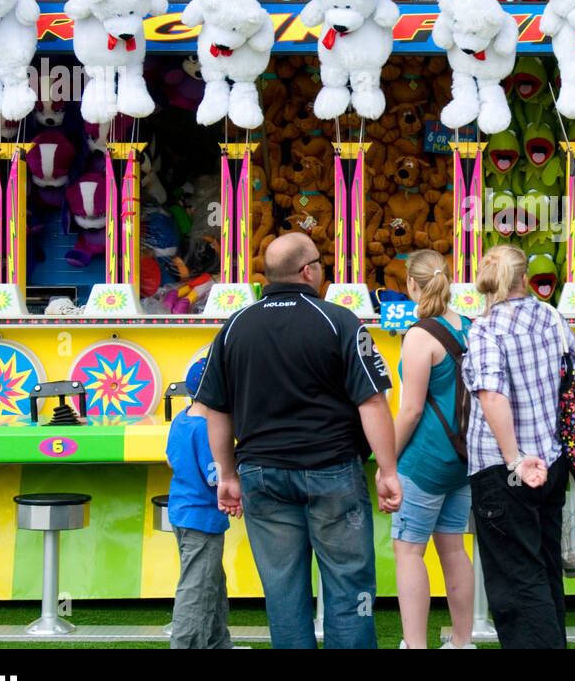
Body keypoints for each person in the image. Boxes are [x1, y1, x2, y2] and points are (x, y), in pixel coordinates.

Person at [196, 232, 402, 650]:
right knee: (350, 587)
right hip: (332, 472)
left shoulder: (235, 325)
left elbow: (215, 409)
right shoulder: (339, 319)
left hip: (260, 476)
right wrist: (388, 469)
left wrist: (227, 474)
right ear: (308, 270)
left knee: (283, 592)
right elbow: (372, 401)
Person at [461, 243, 575, 649]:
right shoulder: (552, 316)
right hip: (552, 462)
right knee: (544, 570)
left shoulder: (486, 327)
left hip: (507, 470)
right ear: (525, 277)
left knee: (516, 582)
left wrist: (515, 458)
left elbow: (491, 395)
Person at [392, 250, 475, 649]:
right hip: (463, 460)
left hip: (424, 462)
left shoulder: (420, 335)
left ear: (411, 285)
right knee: (454, 549)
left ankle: (415, 645)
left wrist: (386, 460)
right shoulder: (472, 328)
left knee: (409, 552)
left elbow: (409, 411)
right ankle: (462, 642)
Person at [165, 360, 231, 649]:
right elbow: (216, 475)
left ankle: (217, 643)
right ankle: (188, 645)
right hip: (202, 518)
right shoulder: (207, 429)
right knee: (198, 588)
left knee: (211, 583)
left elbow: (170, 458)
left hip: (182, 512)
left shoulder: (182, 418)